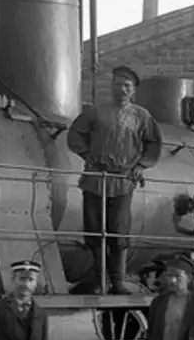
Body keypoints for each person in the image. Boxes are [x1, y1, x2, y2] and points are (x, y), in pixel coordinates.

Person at [67, 65, 163, 294]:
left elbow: (153, 143)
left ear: (133, 91)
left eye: (126, 86)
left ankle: (118, 281)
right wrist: (88, 155)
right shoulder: (95, 112)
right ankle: (99, 280)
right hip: (94, 179)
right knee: (94, 231)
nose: (121, 89)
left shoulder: (142, 116)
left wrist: (141, 165)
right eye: (117, 84)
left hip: (122, 181)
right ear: (111, 87)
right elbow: (75, 134)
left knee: (119, 232)